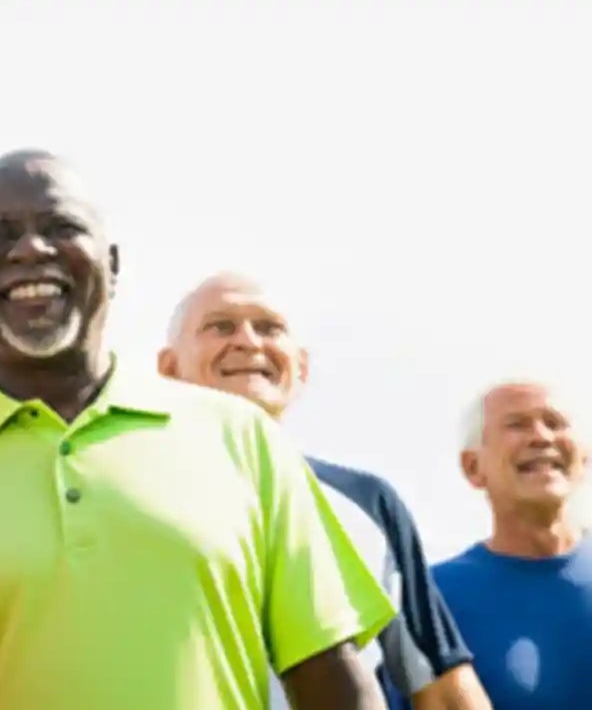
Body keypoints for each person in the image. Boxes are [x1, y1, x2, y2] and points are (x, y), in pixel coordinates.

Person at [0, 149, 397, 709]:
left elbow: (334, 682)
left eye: (61, 226)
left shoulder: (244, 441)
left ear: (112, 266)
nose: (31, 249)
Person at [157, 272, 492, 710]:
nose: (249, 342)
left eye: (269, 328)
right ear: (167, 369)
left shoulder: (366, 503)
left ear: (301, 368)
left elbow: (442, 690)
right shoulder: (125, 491)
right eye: (220, 326)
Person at [427, 379, 592, 708]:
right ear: (473, 468)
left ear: (585, 459)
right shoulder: (435, 598)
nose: (542, 437)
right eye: (517, 425)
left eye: (555, 423)